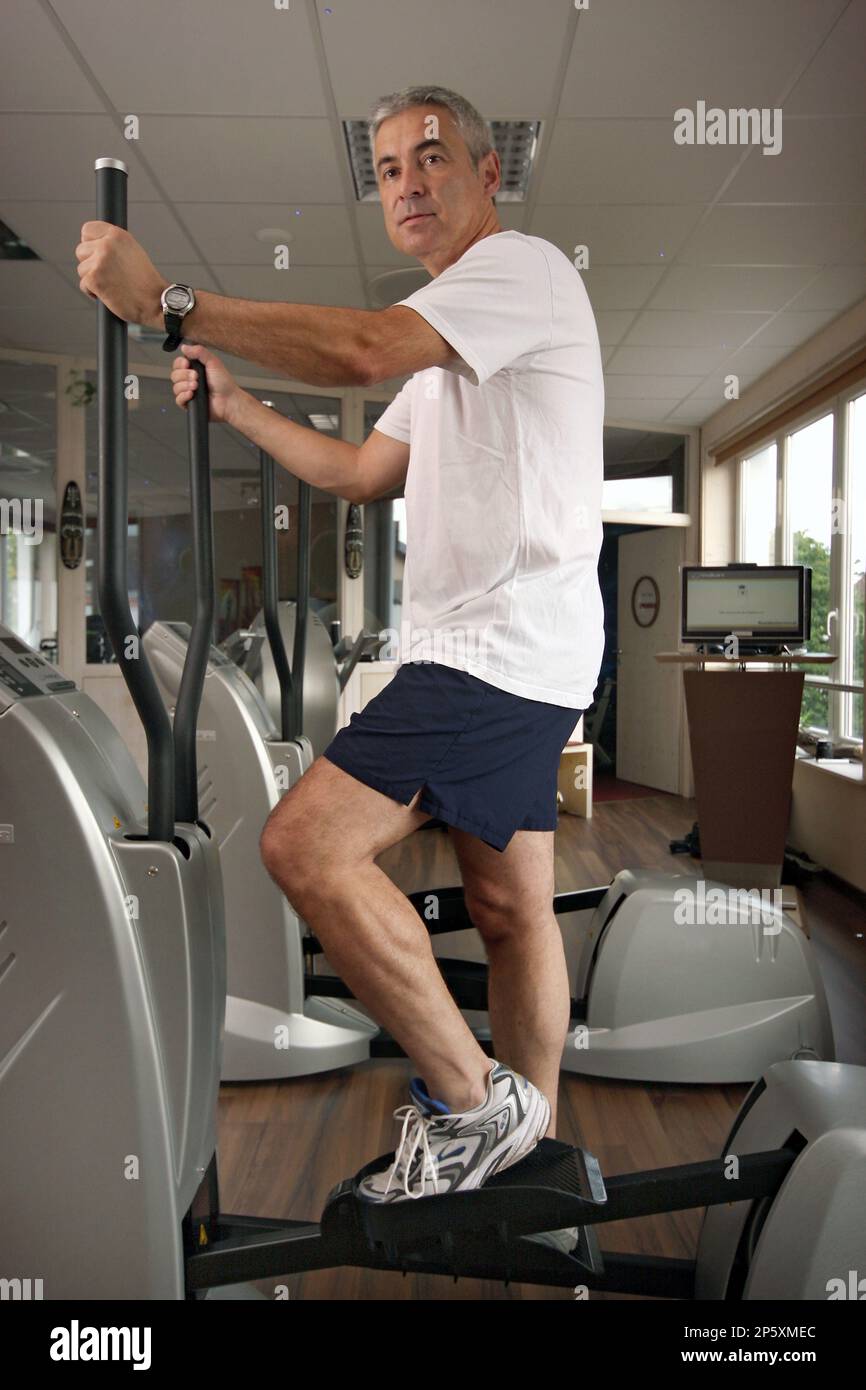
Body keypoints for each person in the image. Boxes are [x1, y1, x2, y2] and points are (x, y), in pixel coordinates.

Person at [76, 86, 605, 1218]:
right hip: (516, 650)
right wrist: (238, 406)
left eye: (431, 157)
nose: (407, 183)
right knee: (510, 911)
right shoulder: (451, 337)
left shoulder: (521, 272)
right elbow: (364, 471)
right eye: (386, 169)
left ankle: (476, 1110)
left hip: (493, 650)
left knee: (304, 846)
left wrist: (173, 305)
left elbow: (360, 350)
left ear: (485, 176)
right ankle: (527, 1153)